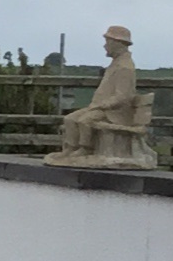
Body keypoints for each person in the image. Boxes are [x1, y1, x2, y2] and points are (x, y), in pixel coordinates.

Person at [47, 25, 156, 166]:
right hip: (101, 108)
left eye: (108, 42)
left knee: (85, 121)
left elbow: (123, 96)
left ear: (117, 43)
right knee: (70, 119)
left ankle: (86, 149)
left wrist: (103, 105)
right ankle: (70, 149)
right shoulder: (116, 63)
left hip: (115, 112)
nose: (105, 46)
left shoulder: (125, 67)